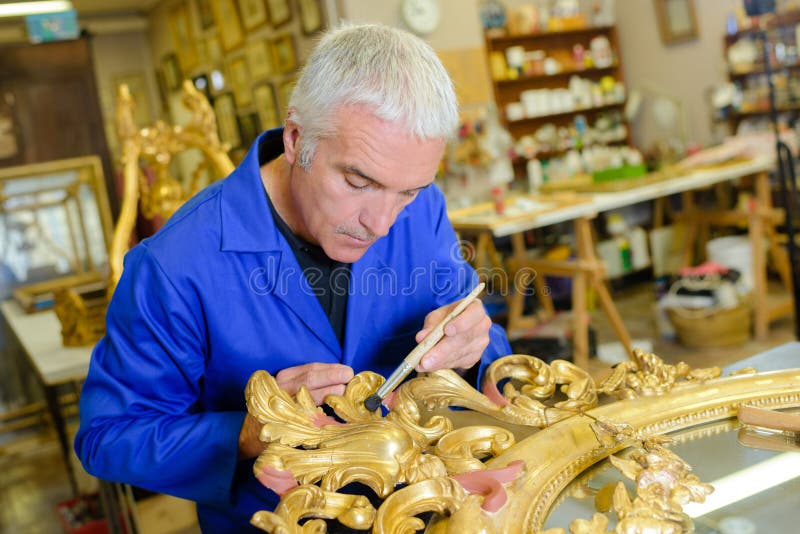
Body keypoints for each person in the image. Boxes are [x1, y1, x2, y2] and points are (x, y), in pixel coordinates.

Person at [75, 23, 511, 532]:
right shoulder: (174, 264)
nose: (383, 222)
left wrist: (475, 347)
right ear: (296, 138)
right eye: (357, 181)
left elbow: (477, 339)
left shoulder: (422, 207)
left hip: (428, 510)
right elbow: (107, 437)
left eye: (407, 192)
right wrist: (246, 434)